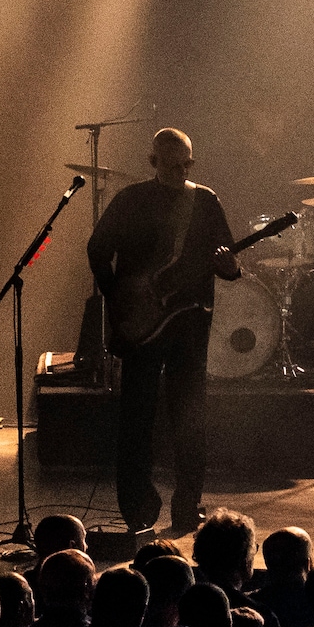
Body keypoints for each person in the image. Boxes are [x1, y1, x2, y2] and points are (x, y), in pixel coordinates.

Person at [87, 128, 240, 534]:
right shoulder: (130, 200)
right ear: (152, 161)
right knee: (136, 416)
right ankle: (138, 508)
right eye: (172, 164)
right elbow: (97, 248)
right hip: (142, 324)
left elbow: (228, 259)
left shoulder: (204, 200)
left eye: (187, 164)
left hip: (190, 322)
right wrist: (118, 298)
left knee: (191, 417)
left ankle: (187, 507)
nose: (180, 171)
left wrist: (229, 267)